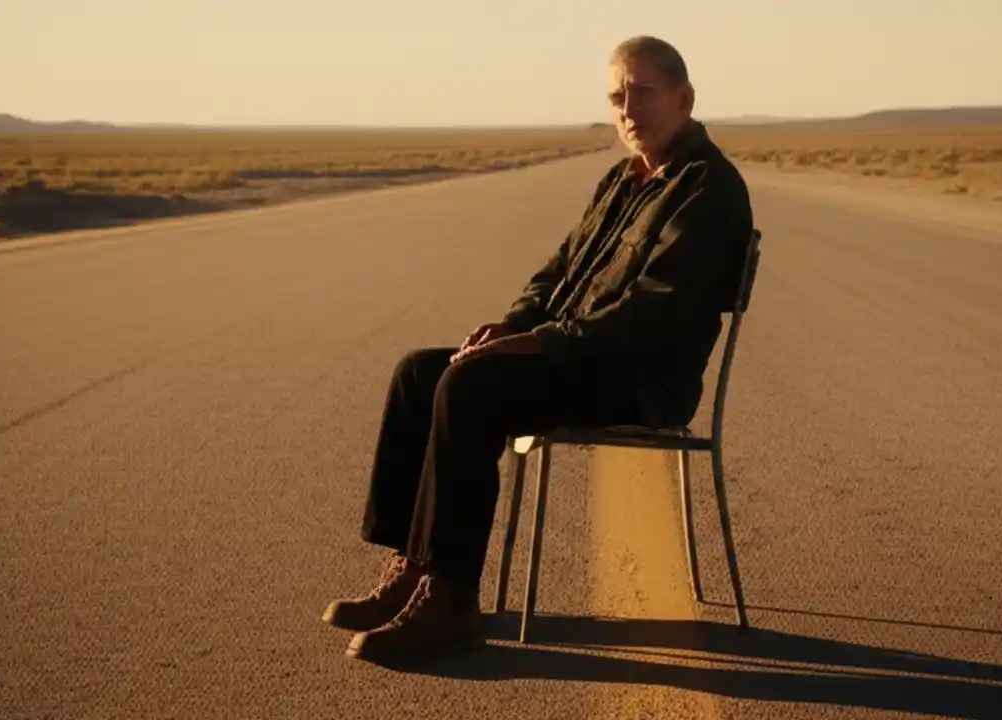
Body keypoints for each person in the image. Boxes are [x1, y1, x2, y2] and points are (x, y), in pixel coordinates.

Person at [322, 35, 754, 665]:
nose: (628, 108)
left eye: (643, 92)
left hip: (635, 378)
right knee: (420, 372)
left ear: (684, 99)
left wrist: (541, 343)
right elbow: (554, 275)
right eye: (616, 96)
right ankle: (413, 569)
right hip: (576, 357)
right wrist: (510, 328)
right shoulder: (621, 180)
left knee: (471, 388)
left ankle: (451, 601)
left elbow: (650, 315)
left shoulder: (708, 190)